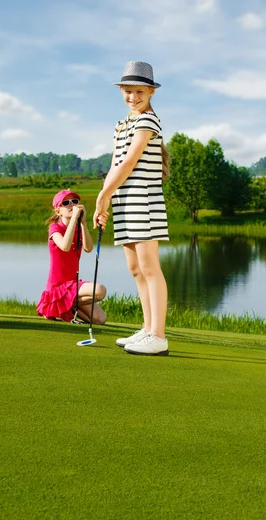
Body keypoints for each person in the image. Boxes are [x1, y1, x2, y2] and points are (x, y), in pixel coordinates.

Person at [93, 61, 169, 355]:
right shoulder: (122, 124)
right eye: (127, 91)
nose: (133, 97)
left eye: (139, 91)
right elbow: (114, 164)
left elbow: (130, 162)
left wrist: (103, 196)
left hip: (144, 200)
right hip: (125, 200)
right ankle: (148, 328)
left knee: (150, 268)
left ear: (151, 92)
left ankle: (159, 336)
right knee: (135, 268)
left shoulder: (148, 121)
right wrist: (106, 197)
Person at [37, 189, 107, 325]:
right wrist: (74, 218)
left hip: (73, 285)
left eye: (74, 202)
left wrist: (83, 223)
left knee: (100, 319)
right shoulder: (55, 228)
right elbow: (65, 246)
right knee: (100, 290)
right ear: (58, 211)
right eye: (66, 203)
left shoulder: (78, 229)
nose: (72, 205)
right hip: (58, 286)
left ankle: (67, 307)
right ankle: (61, 304)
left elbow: (88, 248)